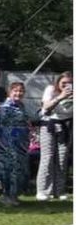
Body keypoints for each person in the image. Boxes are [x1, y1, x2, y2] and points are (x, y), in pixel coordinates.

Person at [0, 82, 32, 206]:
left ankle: (13, 195)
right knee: (9, 169)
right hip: (8, 143)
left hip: (21, 144)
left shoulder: (21, 106)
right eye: (15, 91)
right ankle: (7, 195)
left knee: (19, 169)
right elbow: (2, 124)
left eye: (21, 91)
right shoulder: (5, 107)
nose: (18, 93)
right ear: (10, 92)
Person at [35, 72, 72, 201]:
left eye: (70, 83)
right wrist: (61, 97)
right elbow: (46, 107)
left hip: (65, 126)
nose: (67, 86)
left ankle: (59, 191)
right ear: (58, 82)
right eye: (64, 83)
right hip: (49, 125)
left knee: (62, 159)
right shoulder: (51, 90)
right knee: (48, 157)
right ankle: (43, 191)